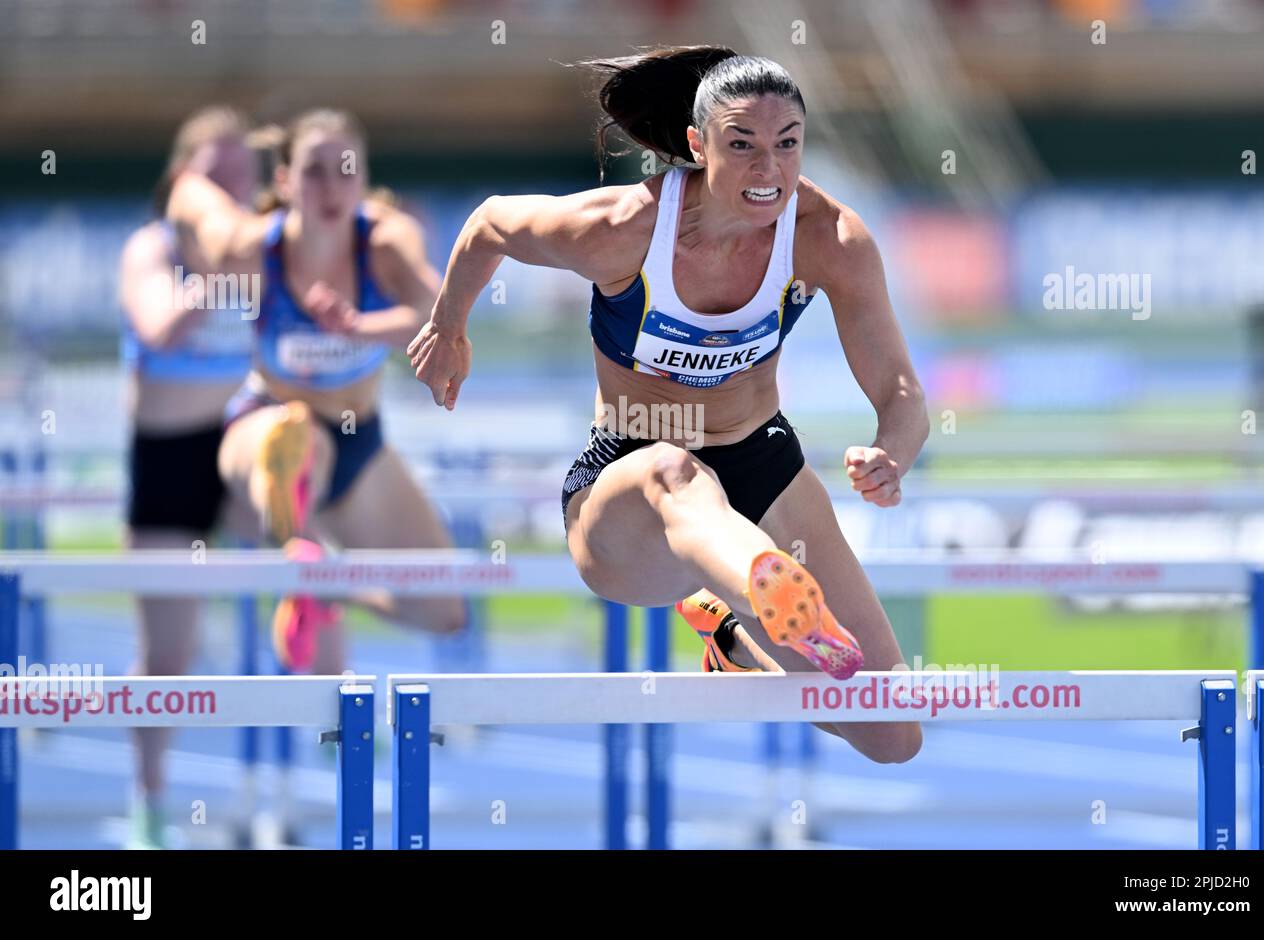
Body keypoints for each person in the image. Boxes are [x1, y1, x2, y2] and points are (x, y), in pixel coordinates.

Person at [410, 48, 928, 762]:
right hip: (631, 479)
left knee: (892, 734)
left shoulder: (829, 239)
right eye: (742, 146)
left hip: (760, 463)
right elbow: (491, 223)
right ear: (696, 144)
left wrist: (892, 453)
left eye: (787, 146)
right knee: (679, 476)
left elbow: (901, 389)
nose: (768, 171)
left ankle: (736, 635)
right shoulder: (621, 229)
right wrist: (448, 327)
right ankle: (762, 590)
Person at [167, 108, 466, 676]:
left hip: (362, 444)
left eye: (345, 170)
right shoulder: (252, 248)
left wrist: (359, 326)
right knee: (298, 434)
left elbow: (440, 313)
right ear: (282, 183)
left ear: (364, 177)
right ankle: (290, 540)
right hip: (262, 429)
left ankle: (322, 585)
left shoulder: (384, 241)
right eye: (313, 171)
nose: (331, 187)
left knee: (441, 610)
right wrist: (187, 194)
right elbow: (187, 197)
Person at [119, 105, 258, 847]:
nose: (233, 187)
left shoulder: (271, 251)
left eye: (245, 174)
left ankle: (322, 780)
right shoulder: (152, 246)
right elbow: (157, 327)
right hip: (168, 456)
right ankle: (149, 807)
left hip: (242, 446)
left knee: (320, 555)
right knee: (168, 654)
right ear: (182, 182)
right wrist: (219, 271)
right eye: (217, 173)